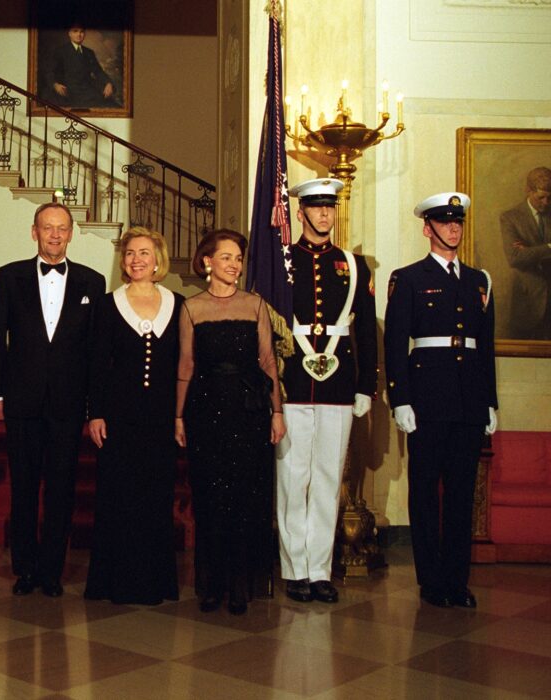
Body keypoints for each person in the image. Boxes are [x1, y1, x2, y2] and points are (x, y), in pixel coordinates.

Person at [0, 202, 105, 597]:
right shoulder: (8, 276)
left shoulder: (93, 281)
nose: (55, 235)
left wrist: (93, 406)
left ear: (71, 234)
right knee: (23, 487)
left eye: (62, 228)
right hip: (21, 399)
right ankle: (25, 569)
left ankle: (52, 570)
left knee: (61, 488)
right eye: (47, 228)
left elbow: (93, 350)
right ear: (33, 231)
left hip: (68, 404)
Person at [385, 192, 498, 609]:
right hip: (427, 399)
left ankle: (457, 580)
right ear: (427, 228)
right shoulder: (409, 278)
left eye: (458, 222)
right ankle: (431, 581)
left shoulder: (478, 281)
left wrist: (490, 401)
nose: (454, 228)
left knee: (461, 493)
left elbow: (484, 345)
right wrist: (400, 399)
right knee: (424, 492)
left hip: (468, 399)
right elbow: (396, 341)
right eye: (445, 222)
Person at [275, 178, 377, 605]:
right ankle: (294, 570)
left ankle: (319, 570)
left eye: (329, 208)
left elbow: (367, 330)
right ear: (300, 214)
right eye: (315, 208)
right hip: (294, 380)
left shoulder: (354, 266)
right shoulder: (281, 262)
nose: (323, 215)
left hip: (338, 384)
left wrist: (367, 385)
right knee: (292, 478)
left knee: (328, 479)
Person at [175, 229, 284, 615]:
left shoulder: (255, 306)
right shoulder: (191, 309)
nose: (234, 265)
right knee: (211, 499)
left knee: (245, 498)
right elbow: (186, 366)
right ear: (208, 262)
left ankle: (240, 585)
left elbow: (268, 362)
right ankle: (211, 585)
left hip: (249, 410)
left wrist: (278, 412)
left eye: (238, 258)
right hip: (206, 410)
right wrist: (178, 416)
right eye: (226, 257)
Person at [84, 227, 182, 605]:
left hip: (160, 418)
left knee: (156, 498)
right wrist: (96, 414)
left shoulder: (179, 304)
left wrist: (179, 416)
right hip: (119, 418)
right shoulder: (108, 305)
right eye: (130, 253)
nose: (136, 259)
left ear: (158, 259)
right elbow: (97, 365)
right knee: (117, 498)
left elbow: (183, 366)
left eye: (144, 253)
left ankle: (155, 583)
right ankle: (116, 583)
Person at [500, 166, 551, 340]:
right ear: (528, 191)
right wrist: (549, 248)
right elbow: (515, 258)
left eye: (549, 198)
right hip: (527, 305)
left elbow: (525, 256)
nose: (546, 202)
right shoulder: (510, 217)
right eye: (541, 197)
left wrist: (529, 251)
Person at [45, 22, 115, 109]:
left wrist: (108, 83)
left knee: (110, 104)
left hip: (87, 90)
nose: (79, 34)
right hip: (68, 91)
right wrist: (55, 85)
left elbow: (98, 71)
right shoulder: (61, 51)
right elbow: (50, 72)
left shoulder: (89, 52)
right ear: (69, 33)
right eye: (75, 31)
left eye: (81, 32)